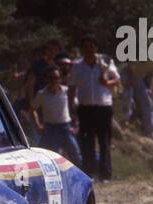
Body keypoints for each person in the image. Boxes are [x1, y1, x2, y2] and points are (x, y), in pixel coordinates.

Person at [67, 34, 121, 181]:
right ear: (82, 49)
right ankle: (89, 173)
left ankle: (105, 174)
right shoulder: (77, 66)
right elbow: (72, 86)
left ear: (95, 48)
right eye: (85, 47)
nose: (88, 49)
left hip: (103, 107)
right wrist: (71, 106)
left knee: (104, 142)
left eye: (91, 46)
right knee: (87, 142)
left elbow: (116, 79)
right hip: (85, 108)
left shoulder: (105, 61)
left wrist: (106, 83)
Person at [31, 65, 83, 165]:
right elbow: (32, 109)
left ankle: (80, 175)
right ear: (46, 79)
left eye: (55, 77)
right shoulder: (41, 94)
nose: (53, 80)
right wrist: (38, 125)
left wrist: (76, 125)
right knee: (44, 154)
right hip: (49, 128)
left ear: (60, 78)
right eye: (50, 78)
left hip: (65, 127)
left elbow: (76, 108)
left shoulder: (66, 91)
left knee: (75, 153)